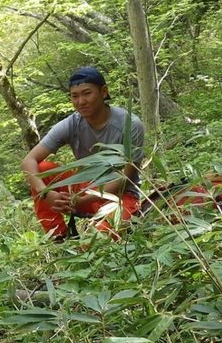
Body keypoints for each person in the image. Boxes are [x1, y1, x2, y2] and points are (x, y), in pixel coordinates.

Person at [21, 66, 145, 239]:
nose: (81, 101)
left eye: (87, 93)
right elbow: (28, 161)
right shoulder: (72, 123)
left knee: (99, 242)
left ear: (103, 92)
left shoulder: (129, 124)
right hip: (84, 188)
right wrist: (46, 193)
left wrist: (81, 200)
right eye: (75, 96)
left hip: (120, 196)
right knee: (41, 168)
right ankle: (59, 238)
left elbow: (126, 177)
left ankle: (97, 232)